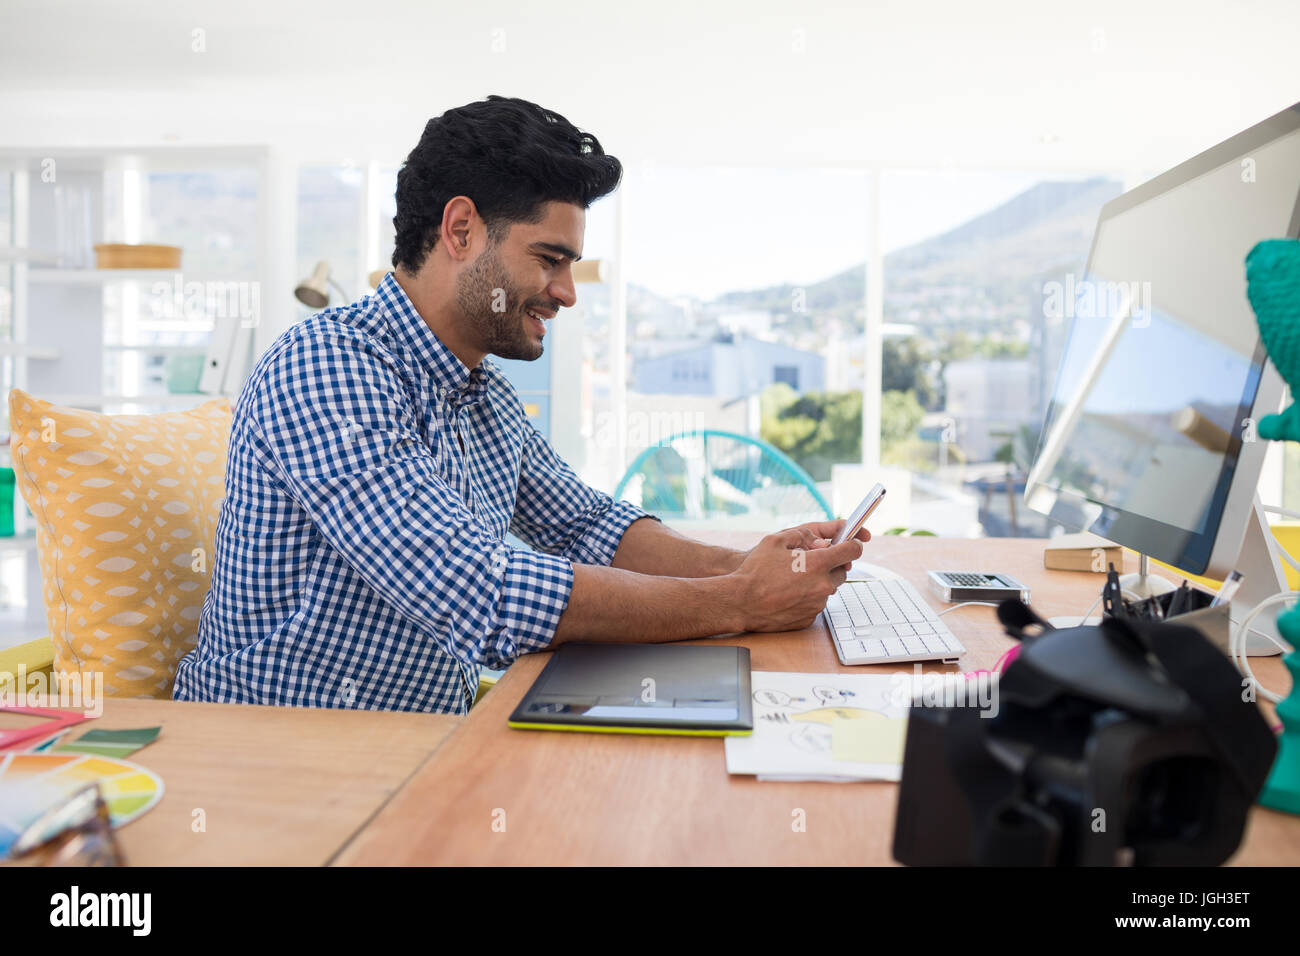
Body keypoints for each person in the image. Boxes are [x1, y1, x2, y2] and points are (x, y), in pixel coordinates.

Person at [173, 96, 866, 713]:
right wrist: (740, 604)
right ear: (462, 230)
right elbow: (482, 592)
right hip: (278, 752)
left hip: (415, 741)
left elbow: (586, 524)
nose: (566, 292)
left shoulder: (484, 394)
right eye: (550, 259)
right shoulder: (325, 366)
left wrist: (743, 565)